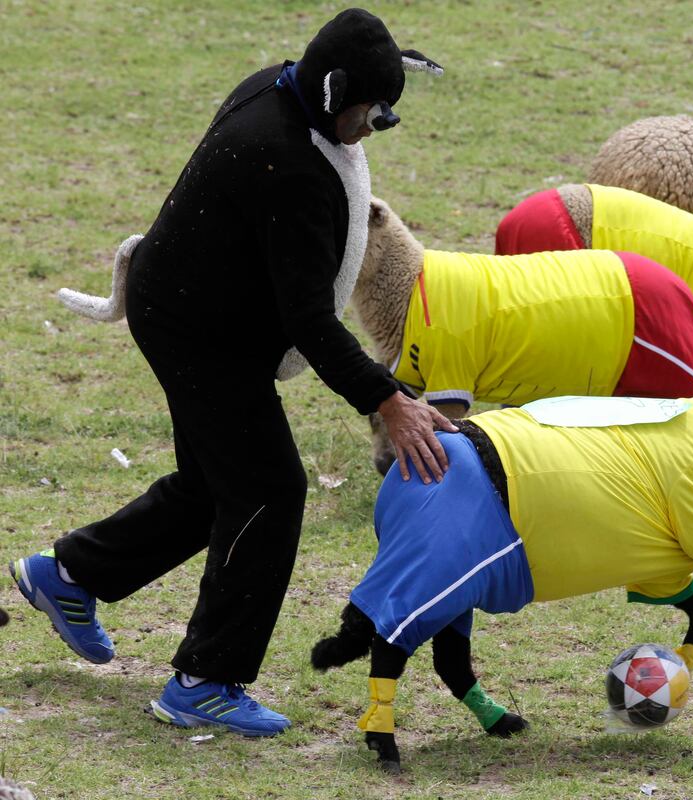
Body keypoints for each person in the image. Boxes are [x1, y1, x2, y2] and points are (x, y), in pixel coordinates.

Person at [8, 8, 454, 736]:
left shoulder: (280, 93)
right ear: (337, 91)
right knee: (269, 490)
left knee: (218, 481)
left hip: (197, 304)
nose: (374, 127)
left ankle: (69, 576)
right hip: (196, 331)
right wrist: (387, 399)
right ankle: (205, 680)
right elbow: (310, 319)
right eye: (371, 111)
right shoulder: (289, 165)